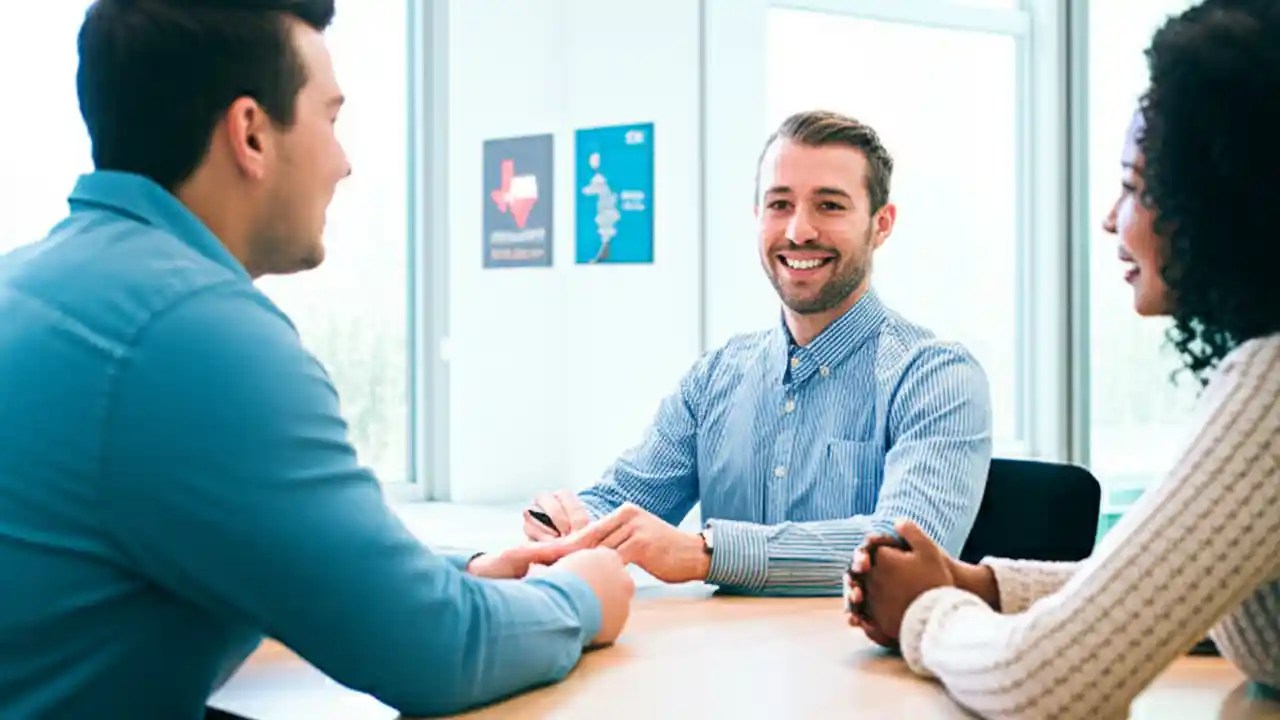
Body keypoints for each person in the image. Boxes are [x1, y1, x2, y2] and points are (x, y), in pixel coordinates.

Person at [0, 1, 635, 718]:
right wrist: (583, 595)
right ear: (251, 135)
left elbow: (290, 558)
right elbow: (436, 652)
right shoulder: (195, 336)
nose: (344, 161)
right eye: (330, 118)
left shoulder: (35, 285)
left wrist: (471, 573)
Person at [845, 2, 1280, 717]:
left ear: (1224, 202)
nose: (1112, 216)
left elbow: (1042, 683)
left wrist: (927, 612)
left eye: (1137, 186)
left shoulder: (1270, 386)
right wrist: (977, 587)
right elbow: (1180, 586)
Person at [524, 110, 993, 596]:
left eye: (829, 206)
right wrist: (572, 522)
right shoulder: (716, 377)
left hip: (864, 665)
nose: (798, 231)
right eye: (779, 205)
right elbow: (624, 502)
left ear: (881, 224)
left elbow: (905, 554)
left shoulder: (937, 377)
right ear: (757, 218)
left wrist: (704, 553)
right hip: (725, 660)